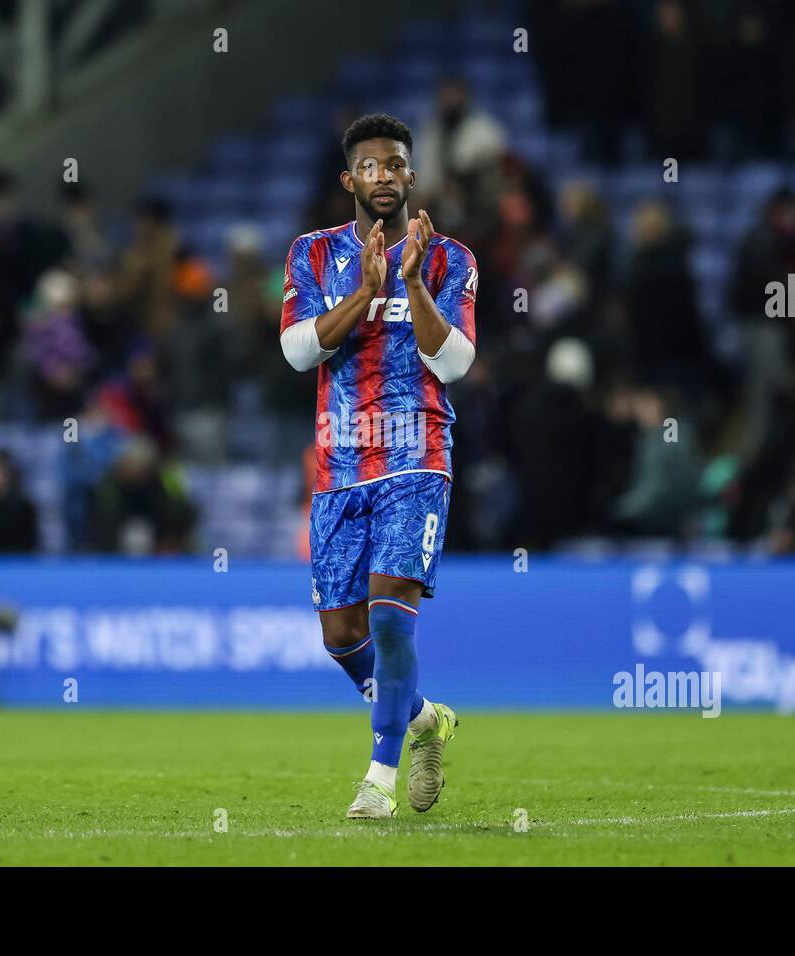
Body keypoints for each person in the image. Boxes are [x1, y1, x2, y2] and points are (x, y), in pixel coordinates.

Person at [279, 114, 477, 820]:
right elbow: (298, 352)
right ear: (349, 180)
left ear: (411, 175)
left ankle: (379, 782)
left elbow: (454, 361)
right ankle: (424, 718)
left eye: (396, 164)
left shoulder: (450, 257)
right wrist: (364, 294)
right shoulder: (312, 253)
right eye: (371, 166)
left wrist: (415, 284)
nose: (384, 176)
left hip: (417, 457)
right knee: (342, 636)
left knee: (393, 622)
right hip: (339, 468)